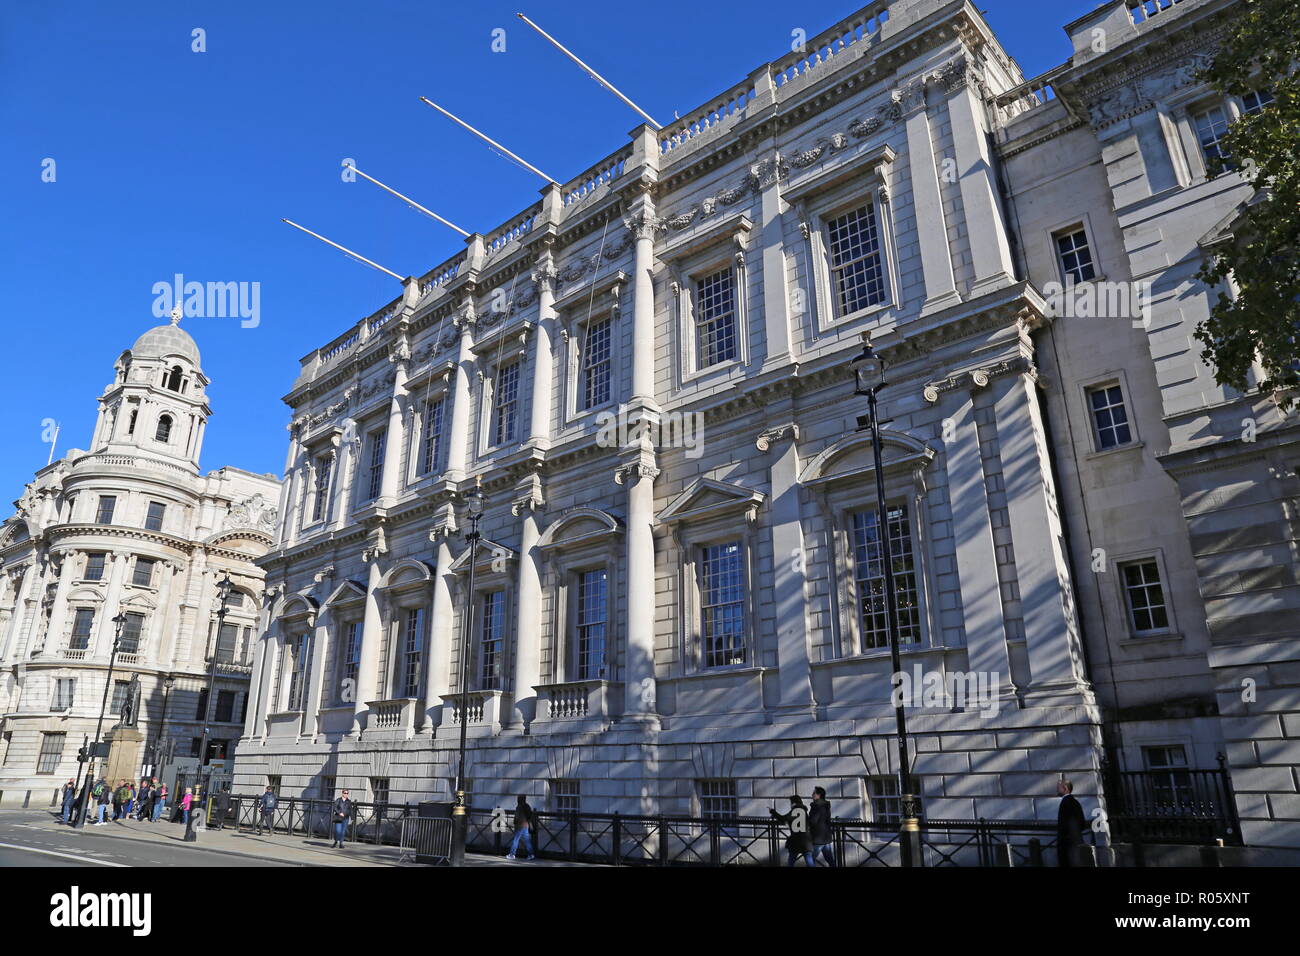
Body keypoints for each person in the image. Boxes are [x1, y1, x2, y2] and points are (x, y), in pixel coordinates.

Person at [770, 795, 814, 867]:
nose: (790, 804)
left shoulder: (795, 810)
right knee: (809, 861)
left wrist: (773, 812)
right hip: (806, 840)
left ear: (794, 802)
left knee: (791, 861)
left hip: (796, 840)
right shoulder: (804, 811)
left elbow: (783, 819)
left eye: (791, 802)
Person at [1056, 778, 1087, 867]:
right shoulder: (1075, 802)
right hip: (1075, 841)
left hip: (1067, 844)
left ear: (1065, 788)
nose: (1057, 790)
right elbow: (1082, 823)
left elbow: (1064, 825)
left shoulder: (1066, 802)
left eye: (1058, 788)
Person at [808, 786, 836, 867]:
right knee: (830, 859)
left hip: (818, 837)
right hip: (826, 836)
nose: (812, 794)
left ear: (819, 795)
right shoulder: (825, 805)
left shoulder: (817, 806)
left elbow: (813, 821)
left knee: (809, 858)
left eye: (814, 793)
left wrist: (807, 821)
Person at [505, 794, 537, 861]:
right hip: (526, 825)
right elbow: (530, 815)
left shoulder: (519, 807)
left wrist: (514, 822)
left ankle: (512, 854)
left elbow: (516, 817)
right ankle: (531, 854)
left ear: (519, 799)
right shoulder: (527, 806)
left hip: (519, 826)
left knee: (515, 840)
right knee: (527, 841)